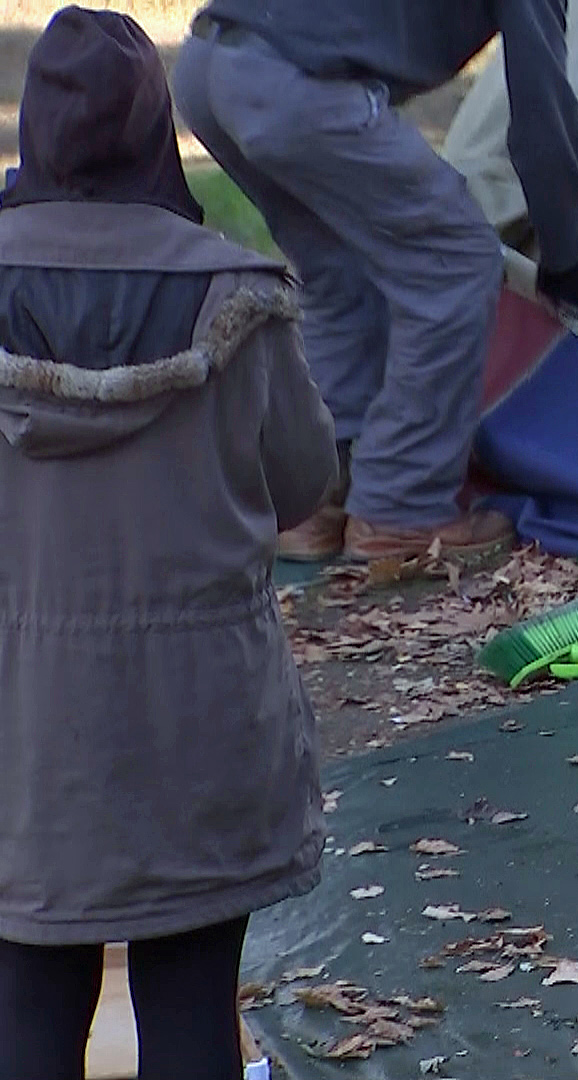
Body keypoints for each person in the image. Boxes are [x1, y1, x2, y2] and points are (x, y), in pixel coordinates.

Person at [0, 8, 338, 1077]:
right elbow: (303, 485)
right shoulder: (239, 296)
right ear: (158, 129)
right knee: (193, 1012)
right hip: (199, 729)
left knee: (24, 1008)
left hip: (21, 737)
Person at [172, 0, 578, 563]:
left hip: (208, 63)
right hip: (292, 82)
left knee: (340, 270)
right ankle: (403, 507)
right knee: (457, 259)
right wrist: (565, 255)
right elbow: (542, 111)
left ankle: (314, 496)